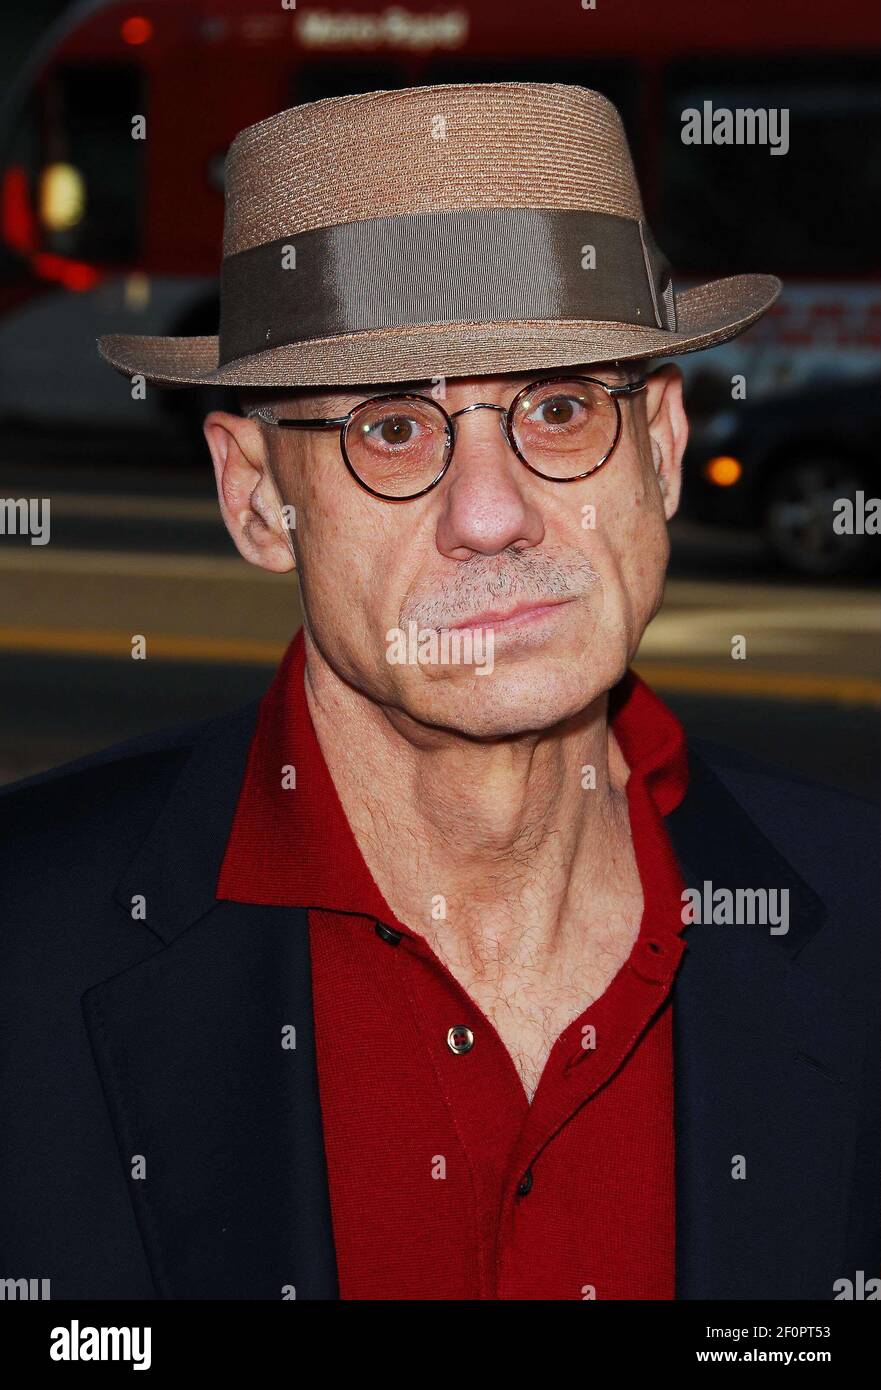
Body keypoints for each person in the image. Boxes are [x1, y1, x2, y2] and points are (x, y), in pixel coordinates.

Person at [1, 83, 876, 1300]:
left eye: (560, 408)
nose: (488, 514)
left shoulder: (858, 915)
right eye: (391, 428)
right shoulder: (24, 946)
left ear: (662, 448)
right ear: (257, 496)